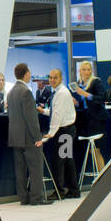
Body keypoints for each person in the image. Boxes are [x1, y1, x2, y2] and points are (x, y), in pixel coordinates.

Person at [7, 62, 50, 205]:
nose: (30, 75)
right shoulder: (26, 92)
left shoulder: (12, 91)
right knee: (35, 168)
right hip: (28, 137)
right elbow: (31, 118)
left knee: (20, 170)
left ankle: (23, 198)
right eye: (29, 72)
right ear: (26, 74)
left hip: (15, 137)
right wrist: (38, 137)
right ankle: (36, 198)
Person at [41, 68, 79, 198]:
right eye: (50, 77)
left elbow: (58, 115)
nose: (52, 80)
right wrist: (43, 111)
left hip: (64, 132)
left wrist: (50, 133)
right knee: (67, 160)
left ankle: (60, 191)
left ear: (61, 78)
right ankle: (73, 190)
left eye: (55, 77)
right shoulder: (57, 92)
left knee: (59, 161)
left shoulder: (62, 93)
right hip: (65, 131)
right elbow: (55, 111)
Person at [73, 60, 108, 172]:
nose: (86, 72)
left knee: (96, 149)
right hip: (87, 120)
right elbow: (84, 104)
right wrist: (76, 102)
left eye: (88, 69)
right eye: (84, 69)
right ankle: (99, 173)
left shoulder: (96, 82)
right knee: (92, 150)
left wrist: (86, 94)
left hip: (97, 119)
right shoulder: (79, 84)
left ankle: (102, 174)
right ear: (80, 71)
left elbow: (101, 98)